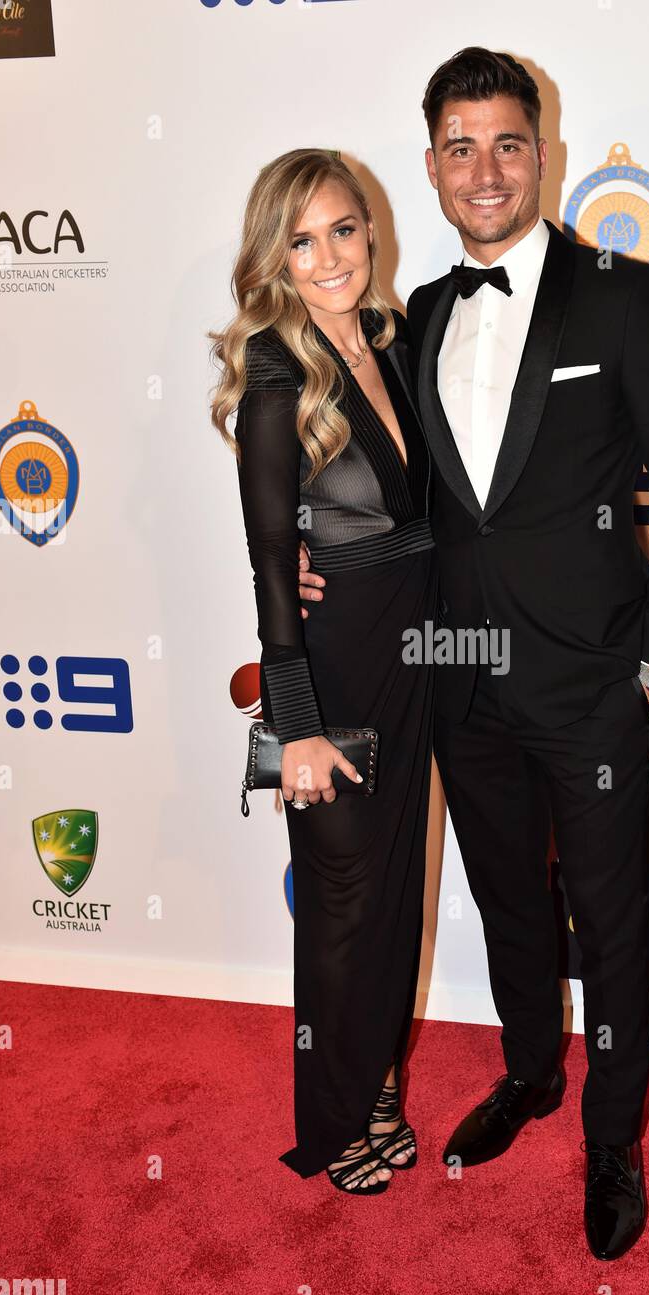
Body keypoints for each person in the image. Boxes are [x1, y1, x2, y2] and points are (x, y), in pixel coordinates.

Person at [299, 48, 649, 1257]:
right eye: (457, 146)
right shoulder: (412, 318)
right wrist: (306, 557)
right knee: (503, 904)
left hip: (595, 682)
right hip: (456, 679)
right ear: (429, 163)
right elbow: (380, 490)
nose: (482, 170)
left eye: (505, 144)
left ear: (539, 154)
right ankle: (529, 1076)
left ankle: (609, 1143)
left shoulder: (628, 295)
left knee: (610, 921)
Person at [210, 150, 437, 1195]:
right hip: (334, 671)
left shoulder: (397, 342)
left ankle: (382, 1083)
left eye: (342, 229)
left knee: (394, 896)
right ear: (274, 258)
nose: (327, 255)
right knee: (344, 901)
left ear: (371, 232)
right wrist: (293, 722)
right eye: (301, 240)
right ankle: (334, 1114)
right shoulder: (274, 369)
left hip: (421, 656)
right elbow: (270, 557)